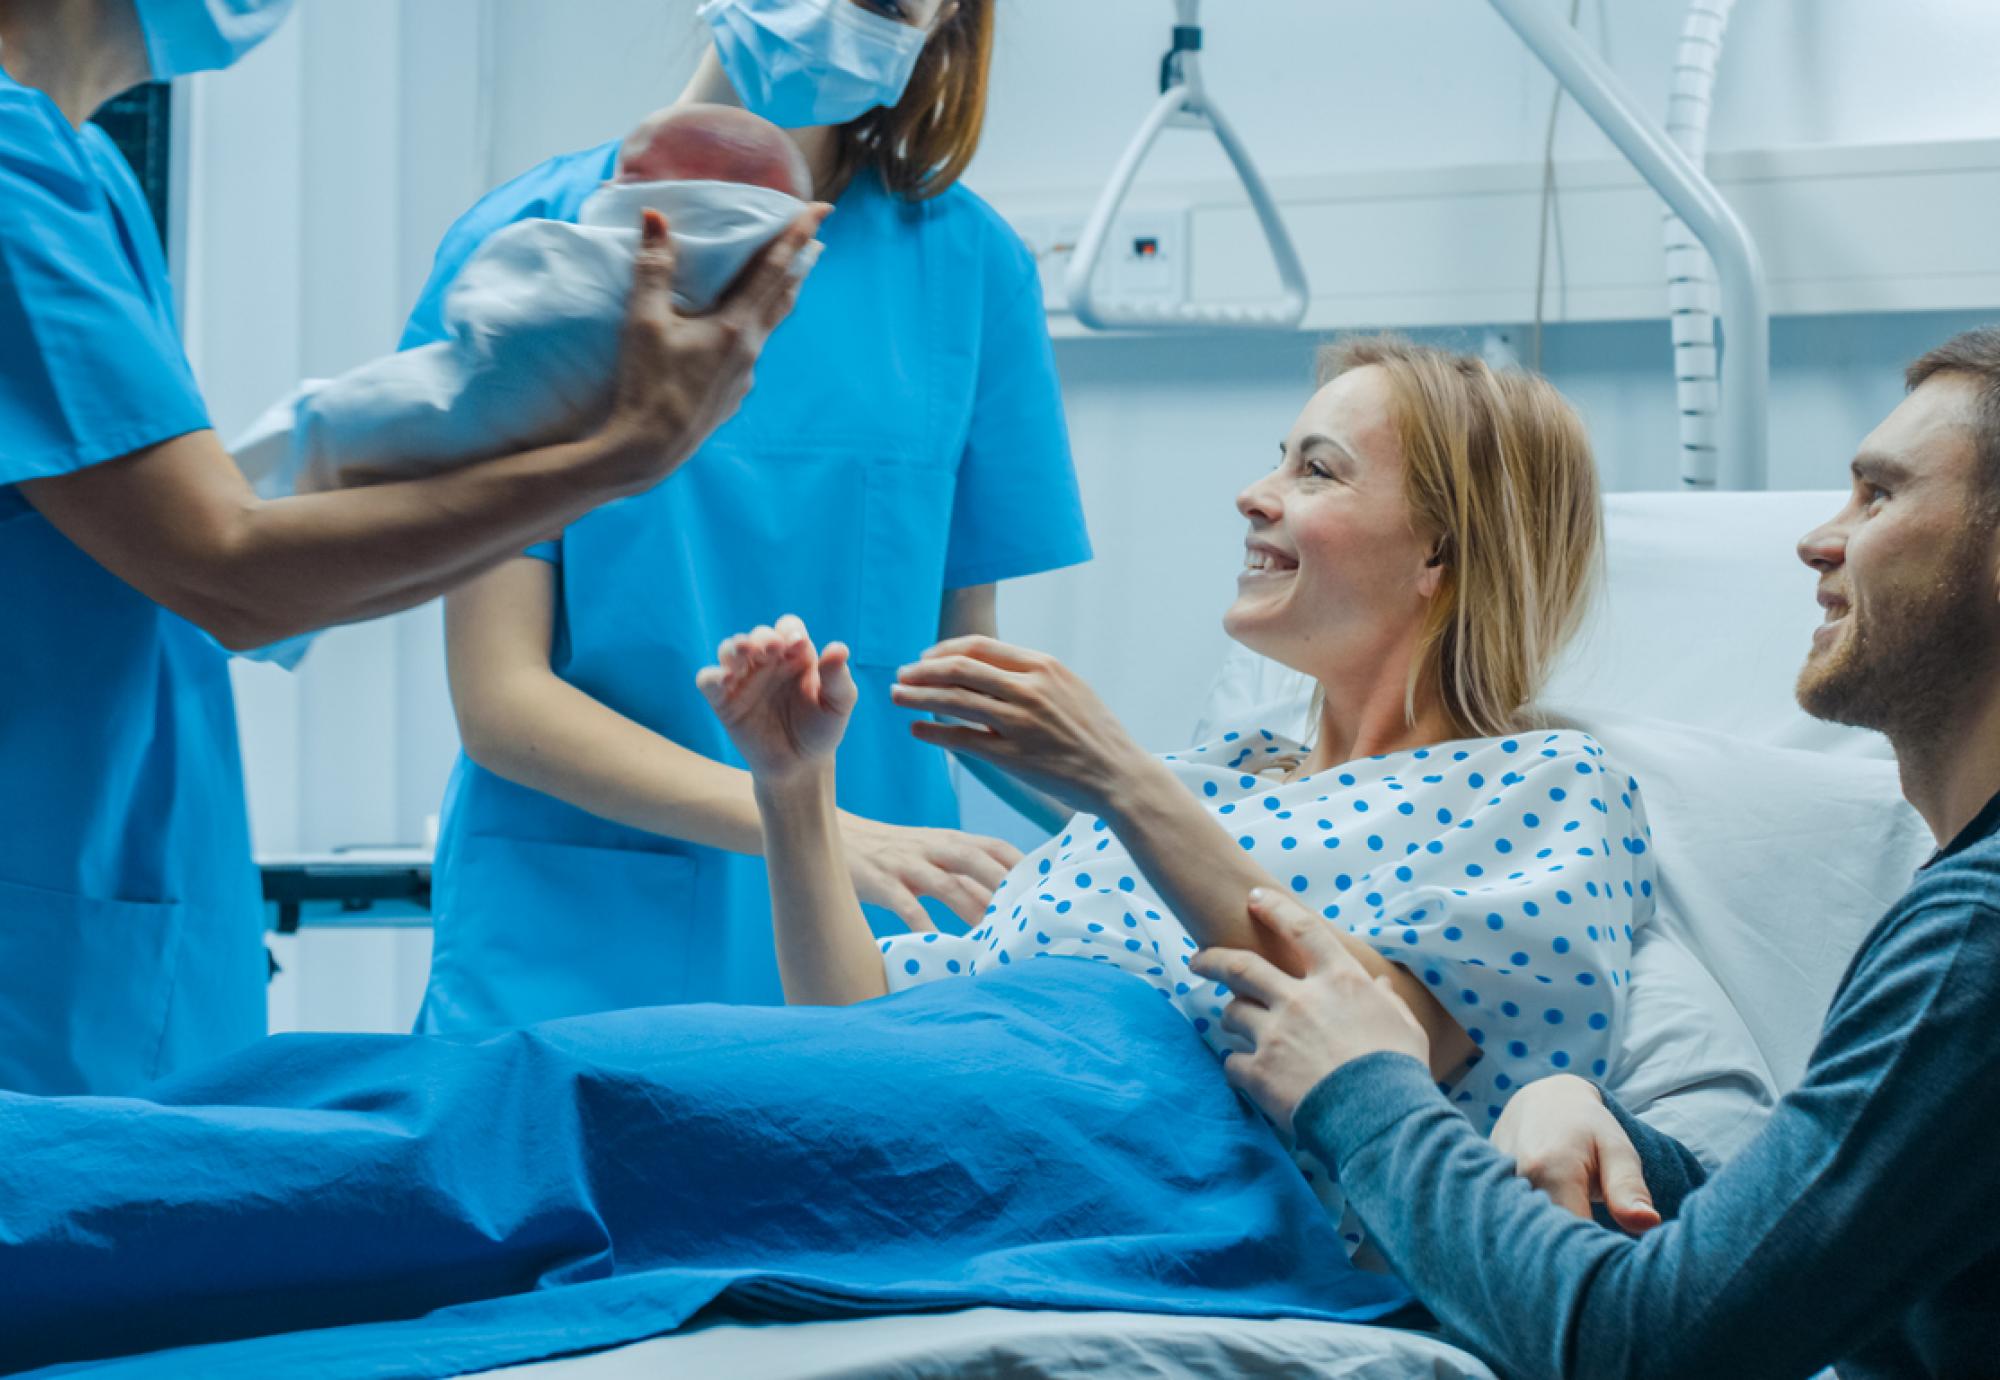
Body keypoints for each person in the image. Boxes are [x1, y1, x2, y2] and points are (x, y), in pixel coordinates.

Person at [0, 0, 821, 1095]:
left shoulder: (81, 169)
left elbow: (242, 566)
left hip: (107, 924)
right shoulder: (14, 176)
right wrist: (612, 458)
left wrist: (596, 453)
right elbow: (230, 573)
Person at [696, 337, 1656, 1245]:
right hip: (932, 1128)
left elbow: (1393, 1049)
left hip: (1131, 1196)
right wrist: (793, 785)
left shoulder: (1545, 785)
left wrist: (1119, 776)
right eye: (1278, 461)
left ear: (1441, 551)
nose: (1252, 495)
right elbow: (854, 1020)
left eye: (1315, 471)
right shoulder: (1210, 785)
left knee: (583, 1106)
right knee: (582, 1092)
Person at [1205, 326, 2000, 1379]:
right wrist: (1602, 1126)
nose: (1817, 538)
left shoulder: (1972, 945)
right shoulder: (1956, 924)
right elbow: (1792, 1253)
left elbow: (1646, 1347)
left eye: (1876, 497)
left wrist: (1361, 1087)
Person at [413, 0, 1092, 1033]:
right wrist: (818, 827)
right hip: (578, 965)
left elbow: (957, 672)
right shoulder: (530, 249)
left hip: (862, 952)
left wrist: (1184, 824)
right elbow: (500, 699)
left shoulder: (969, 269)